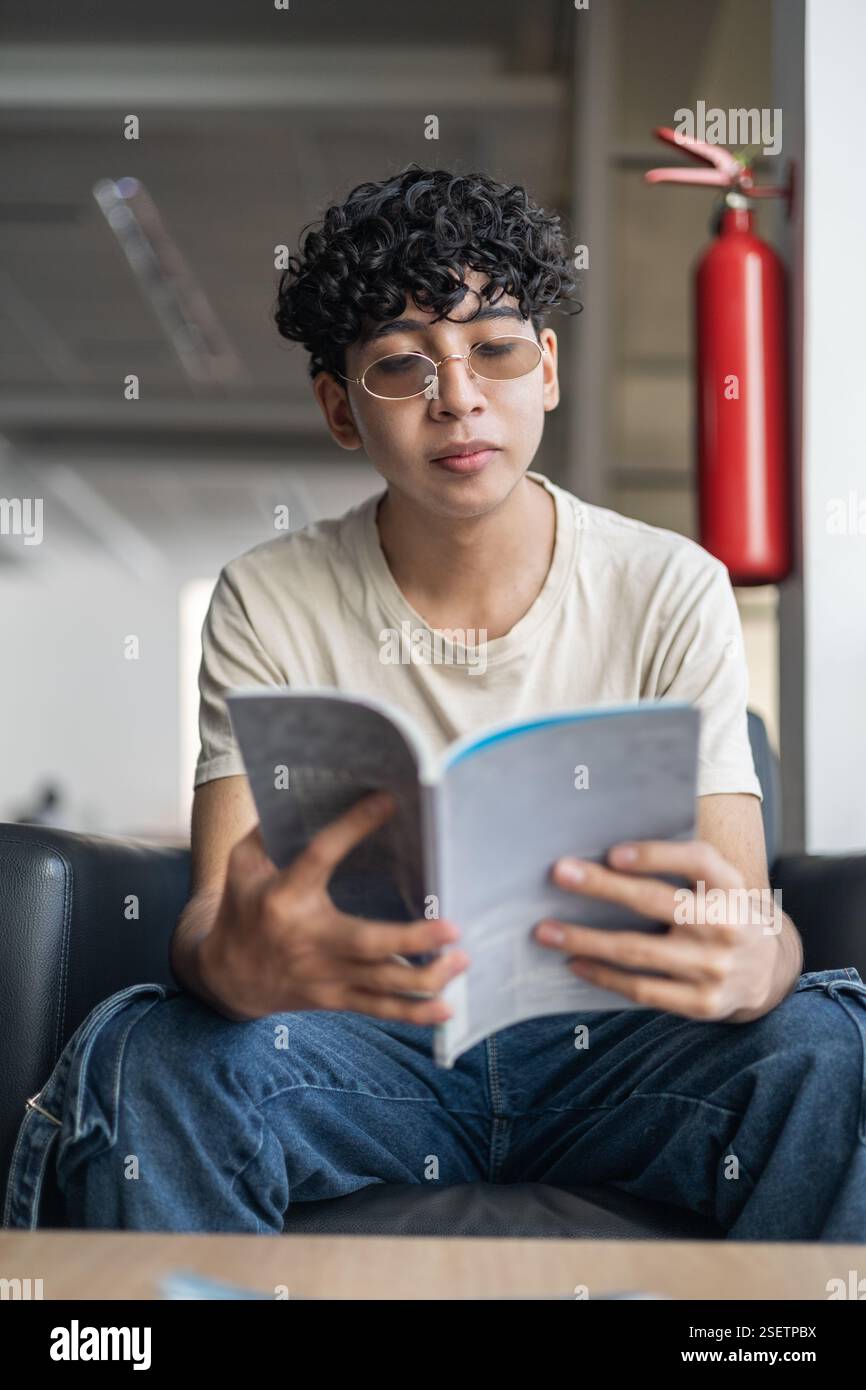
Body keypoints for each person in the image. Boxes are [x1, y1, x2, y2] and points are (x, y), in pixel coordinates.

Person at [5, 166, 866, 1240]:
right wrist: (237, 961)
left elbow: (744, 913)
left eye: (494, 350)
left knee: (825, 1046)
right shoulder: (266, 596)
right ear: (337, 407)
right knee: (155, 1053)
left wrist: (760, 956)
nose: (456, 397)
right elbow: (210, 920)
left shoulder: (667, 582)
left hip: (617, 1052)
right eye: (401, 366)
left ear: (544, 369)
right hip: (361, 1049)